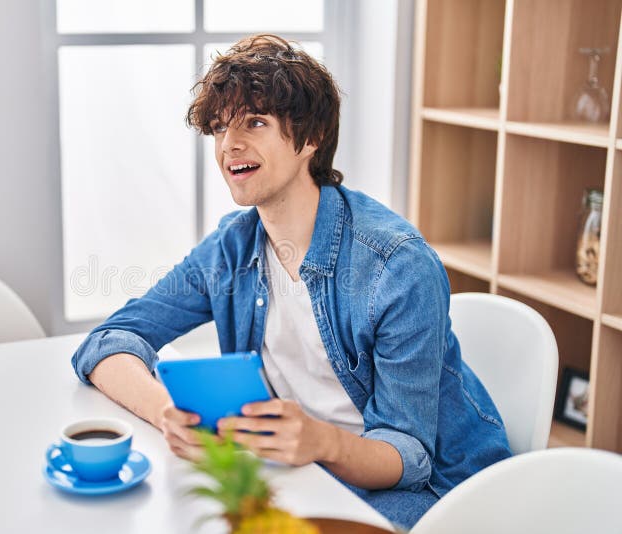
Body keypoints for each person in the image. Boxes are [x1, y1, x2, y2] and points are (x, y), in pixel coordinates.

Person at [71, 34, 511, 529]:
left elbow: (408, 457)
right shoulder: (233, 249)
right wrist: (167, 412)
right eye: (219, 127)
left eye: (255, 122)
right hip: (306, 473)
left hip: (437, 493)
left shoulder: (396, 266)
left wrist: (322, 442)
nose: (229, 145)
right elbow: (109, 341)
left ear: (312, 137)